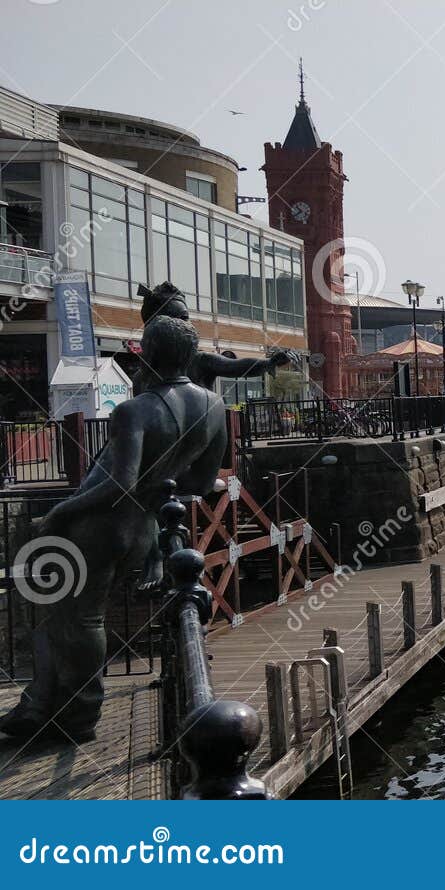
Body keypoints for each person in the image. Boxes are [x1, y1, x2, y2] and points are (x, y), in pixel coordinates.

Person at [1, 315, 227, 744]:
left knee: (80, 617)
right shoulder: (213, 408)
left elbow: (119, 483)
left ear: (151, 353)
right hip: (141, 529)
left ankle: (80, 715)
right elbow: (199, 483)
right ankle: (38, 706)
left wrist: (61, 512)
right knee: (56, 613)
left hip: (98, 528)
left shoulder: (134, 409)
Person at [136, 282, 296, 393]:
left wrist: (270, 362)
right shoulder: (140, 379)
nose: (187, 324)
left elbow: (237, 366)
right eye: (182, 318)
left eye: (186, 318)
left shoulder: (200, 361)